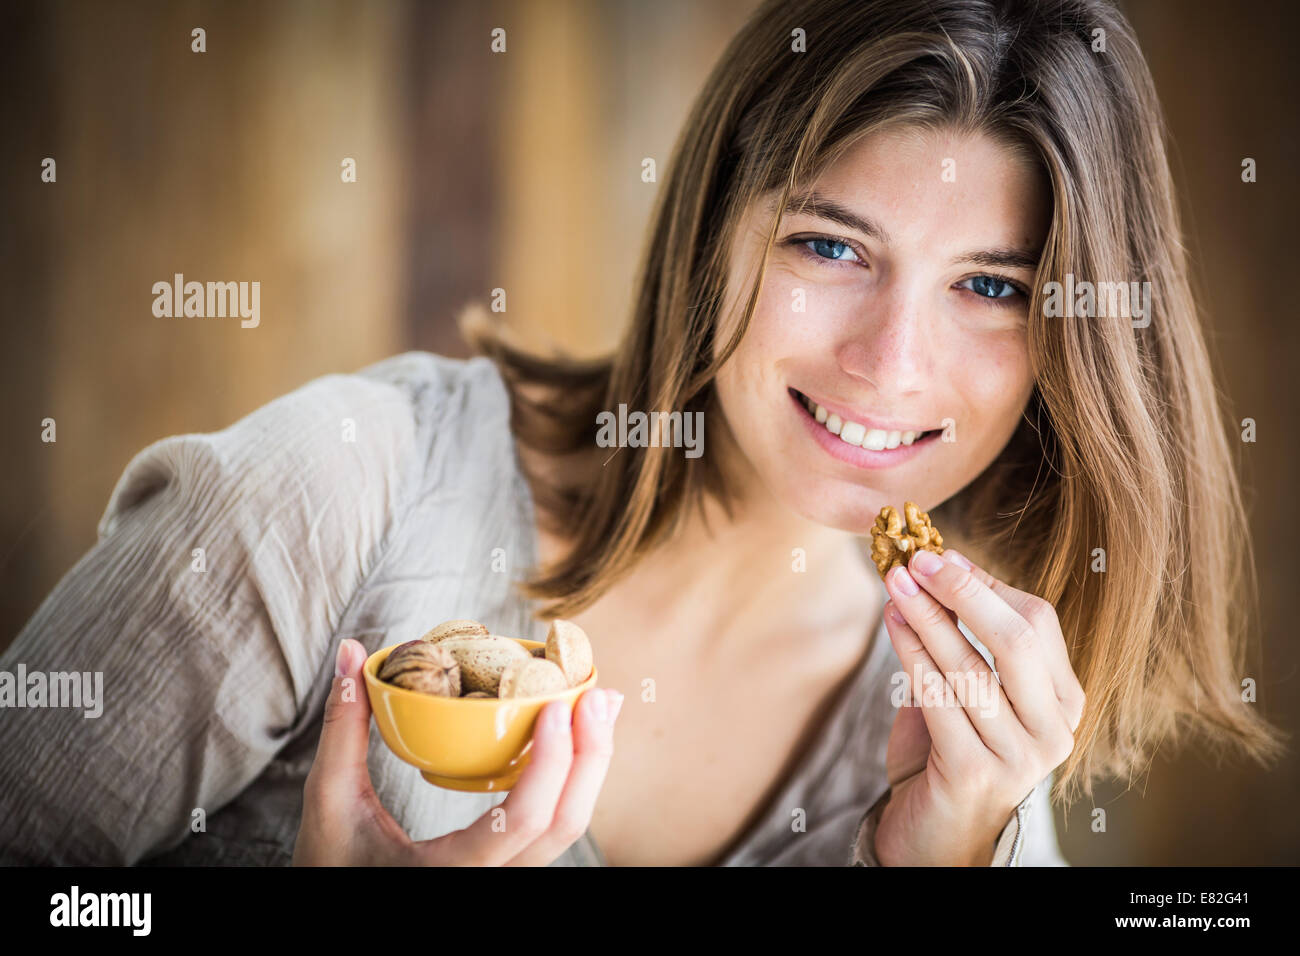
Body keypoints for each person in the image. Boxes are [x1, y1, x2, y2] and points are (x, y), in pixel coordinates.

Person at [0, 0, 1284, 867]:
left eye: (992, 285)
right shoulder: (334, 495)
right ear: (711, 226)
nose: (890, 363)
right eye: (830, 246)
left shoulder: (962, 740)